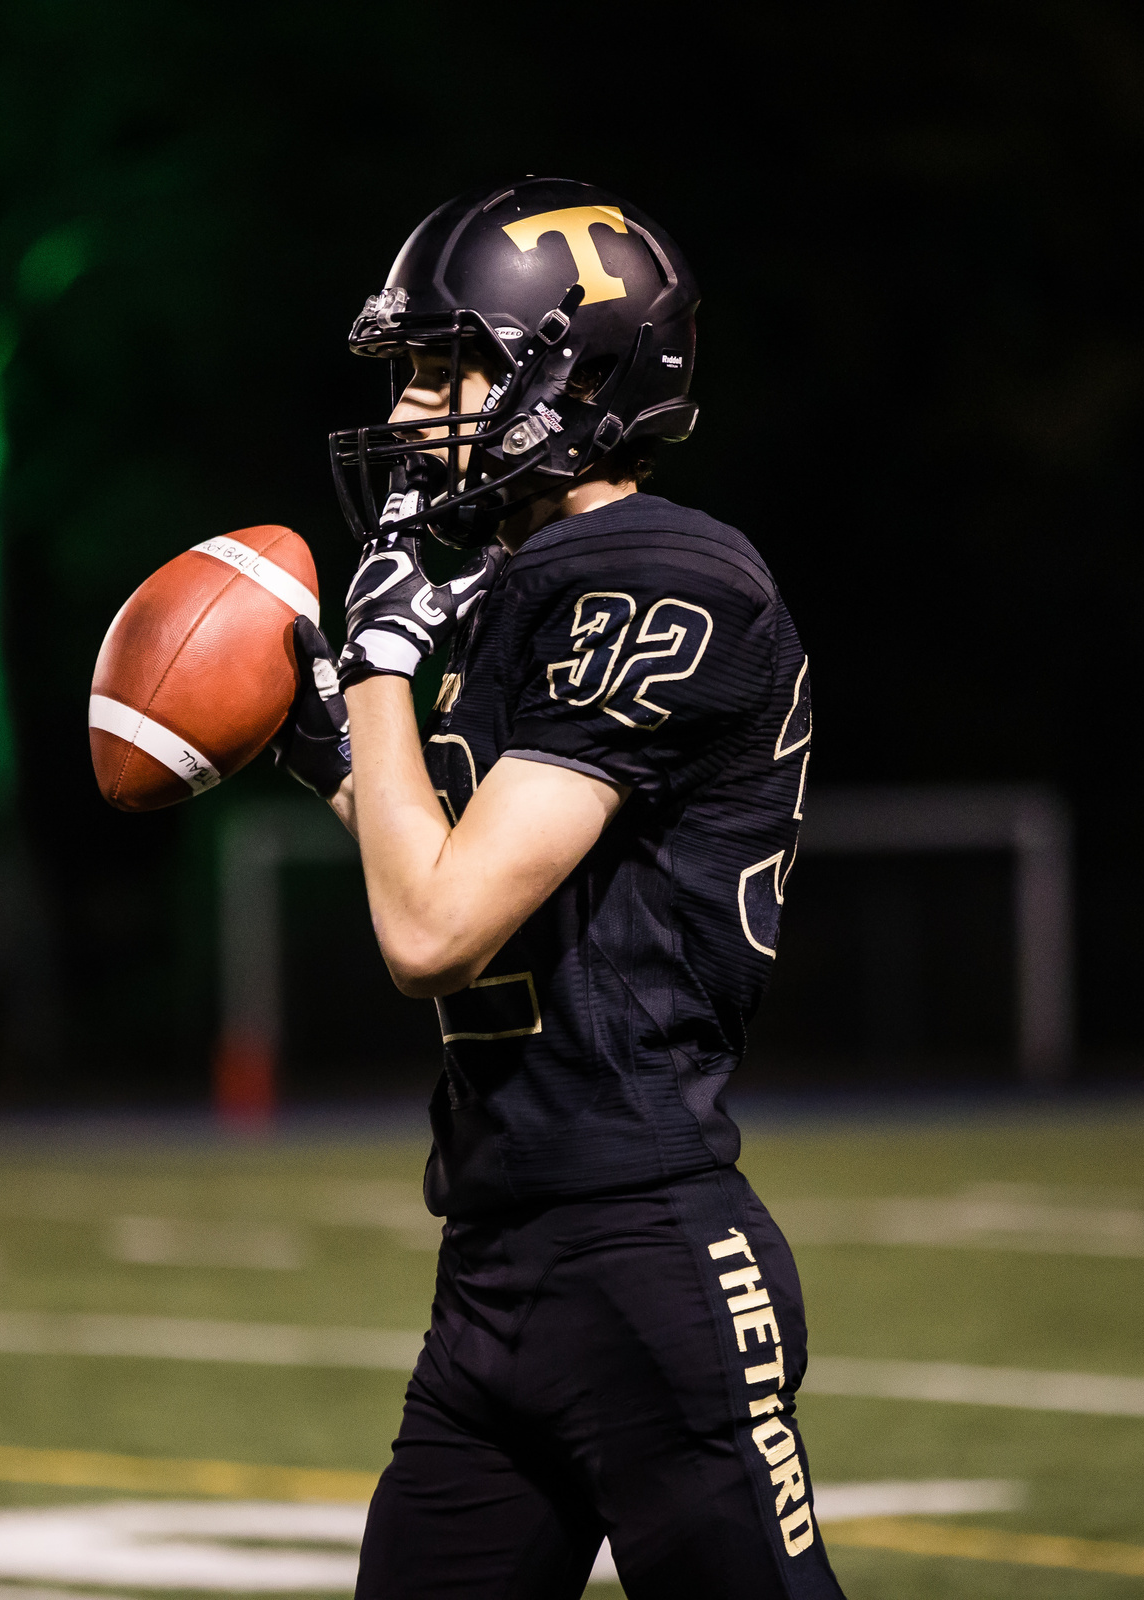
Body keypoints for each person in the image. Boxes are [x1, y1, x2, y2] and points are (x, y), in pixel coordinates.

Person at [274, 178, 838, 1600]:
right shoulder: (522, 584)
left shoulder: (660, 572)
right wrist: (326, 745)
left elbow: (435, 927)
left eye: (441, 364)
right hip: (498, 1262)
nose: (410, 413)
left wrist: (386, 664)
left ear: (569, 372)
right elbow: (454, 860)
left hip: (645, 1255)